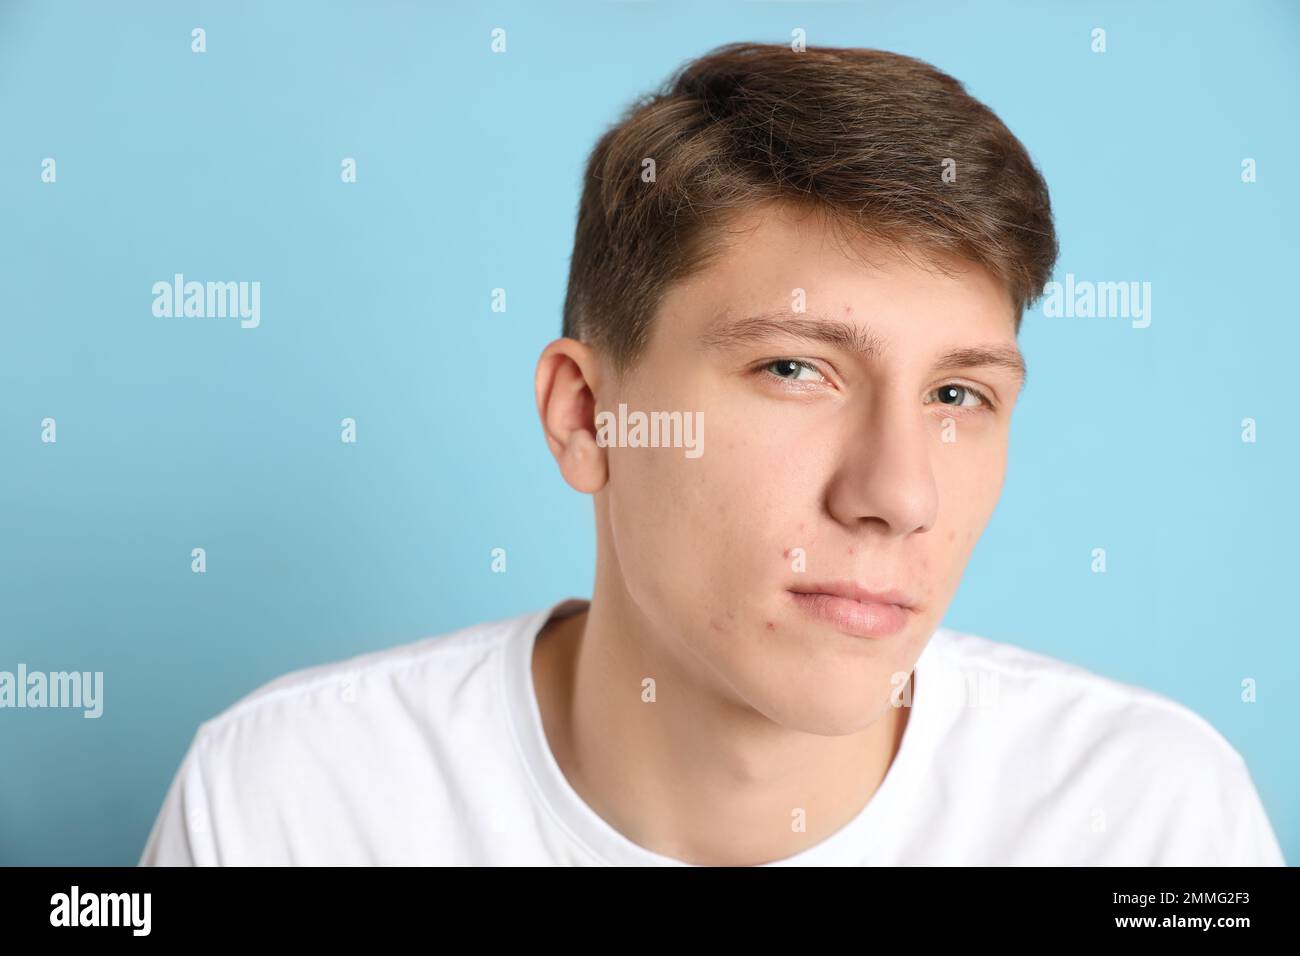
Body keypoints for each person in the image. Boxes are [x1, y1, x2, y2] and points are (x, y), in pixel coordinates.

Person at [140, 42, 1285, 866]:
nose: (895, 493)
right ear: (588, 417)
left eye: (956, 392)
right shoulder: (287, 804)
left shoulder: (1147, 819)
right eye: (795, 369)